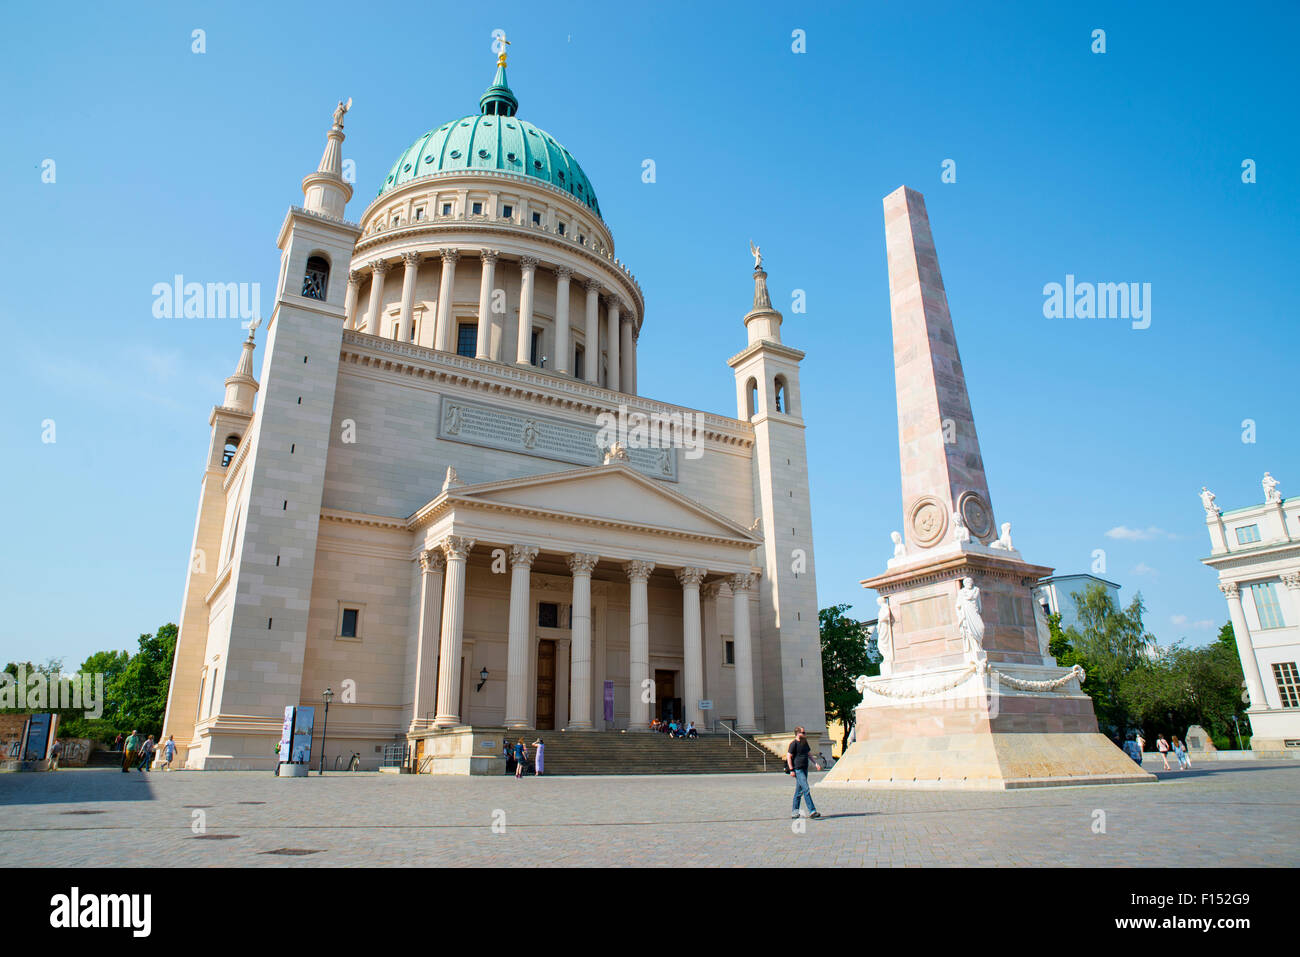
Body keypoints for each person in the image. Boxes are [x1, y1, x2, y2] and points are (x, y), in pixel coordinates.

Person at [785, 726, 823, 820]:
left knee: (798, 792)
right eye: (803, 732)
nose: (805, 734)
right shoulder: (793, 744)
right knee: (806, 789)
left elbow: (809, 754)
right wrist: (791, 770)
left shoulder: (804, 742)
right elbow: (789, 756)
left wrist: (816, 763)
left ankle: (794, 812)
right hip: (798, 769)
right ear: (798, 733)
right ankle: (812, 811)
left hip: (804, 768)